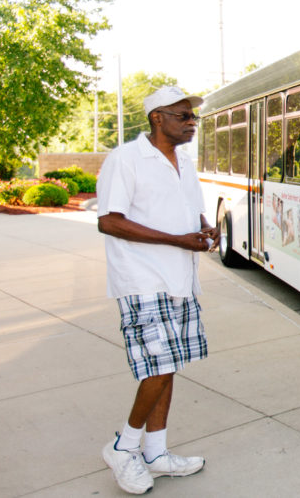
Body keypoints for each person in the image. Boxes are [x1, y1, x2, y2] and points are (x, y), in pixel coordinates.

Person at [96, 86, 219, 494]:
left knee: (169, 364)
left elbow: (190, 210)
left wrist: (204, 228)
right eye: (183, 116)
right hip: (142, 278)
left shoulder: (183, 161)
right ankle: (124, 446)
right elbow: (110, 221)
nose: (191, 123)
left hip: (179, 276)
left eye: (193, 117)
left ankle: (156, 452)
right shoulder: (126, 159)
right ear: (156, 118)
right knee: (158, 365)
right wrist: (176, 240)